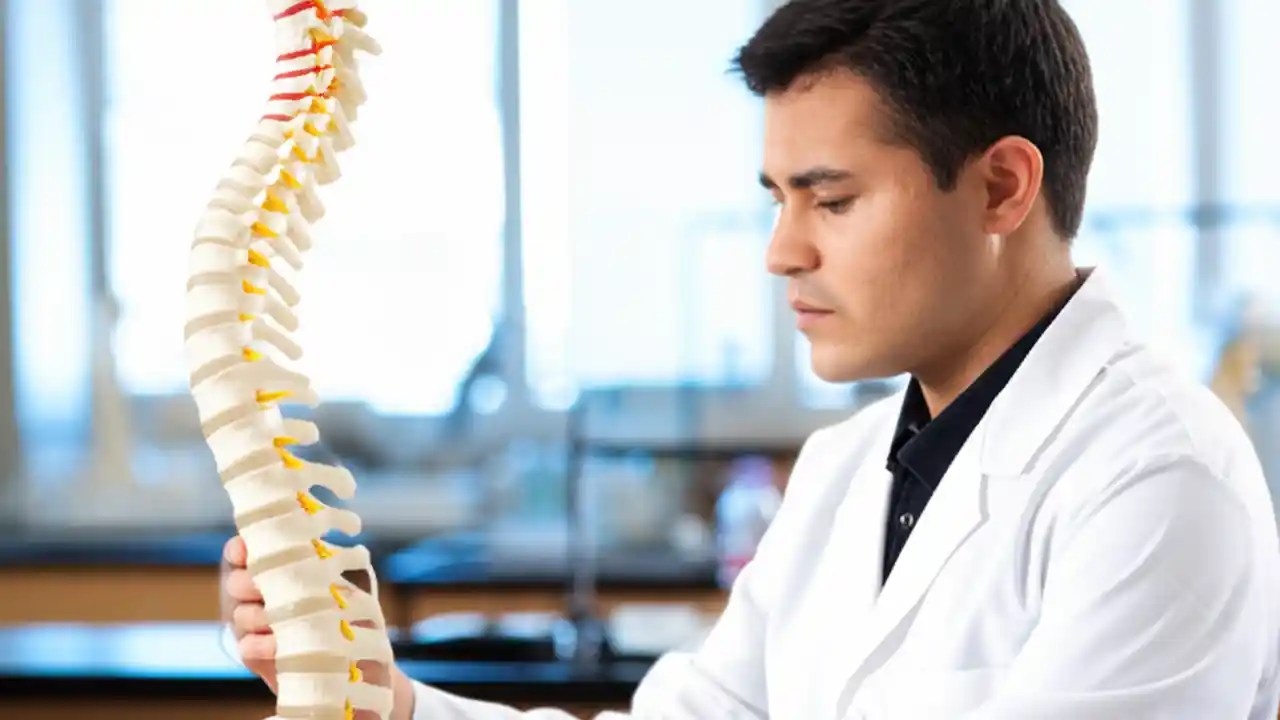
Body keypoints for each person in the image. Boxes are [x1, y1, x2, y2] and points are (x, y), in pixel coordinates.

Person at [222, 0, 1280, 717]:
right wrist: (390, 699)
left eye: (832, 200)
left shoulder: (1156, 479)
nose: (782, 252)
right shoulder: (846, 470)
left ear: (1001, 187)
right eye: (778, 201)